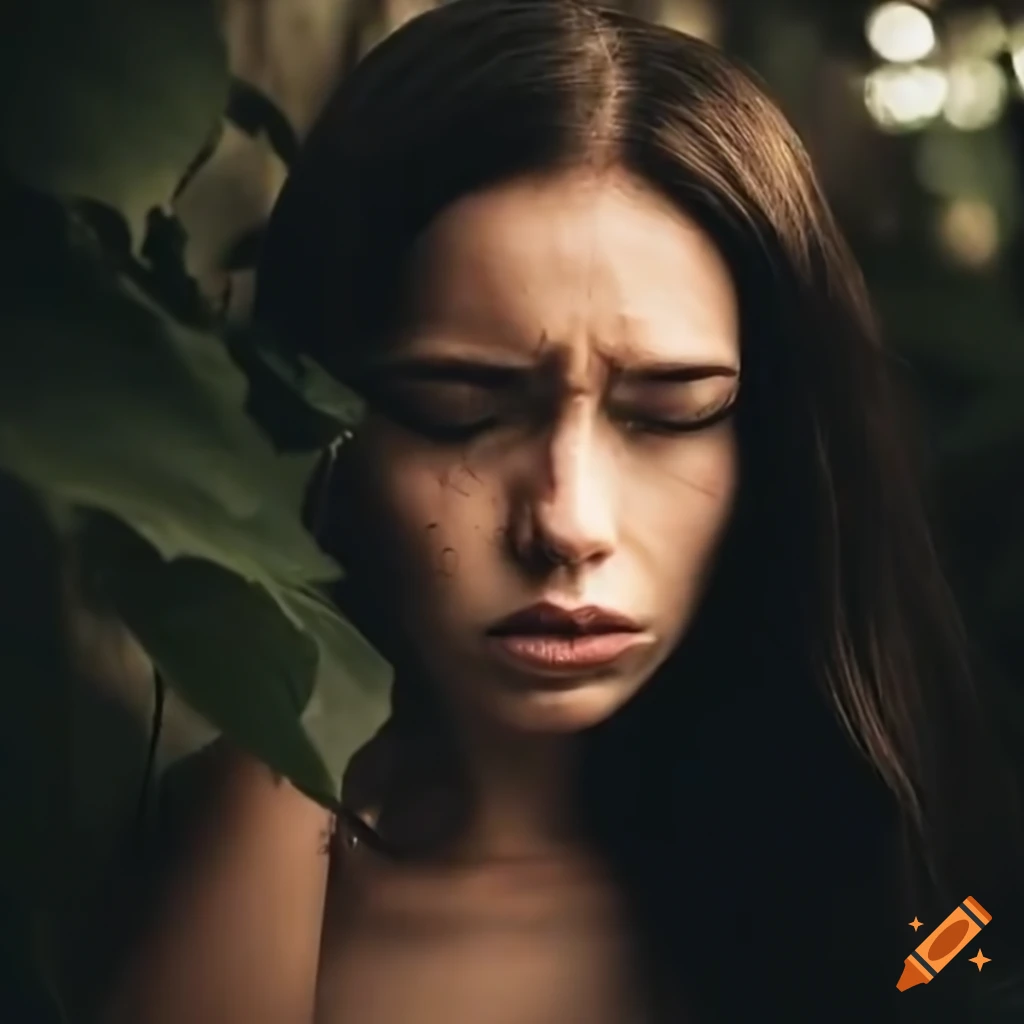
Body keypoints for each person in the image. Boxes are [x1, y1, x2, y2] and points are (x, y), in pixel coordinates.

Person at [104, 1, 1024, 1021]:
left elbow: (961, 969)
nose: (568, 523)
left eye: (673, 413)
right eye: (459, 410)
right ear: (325, 412)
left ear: (777, 435)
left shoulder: (929, 898)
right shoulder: (227, 845)